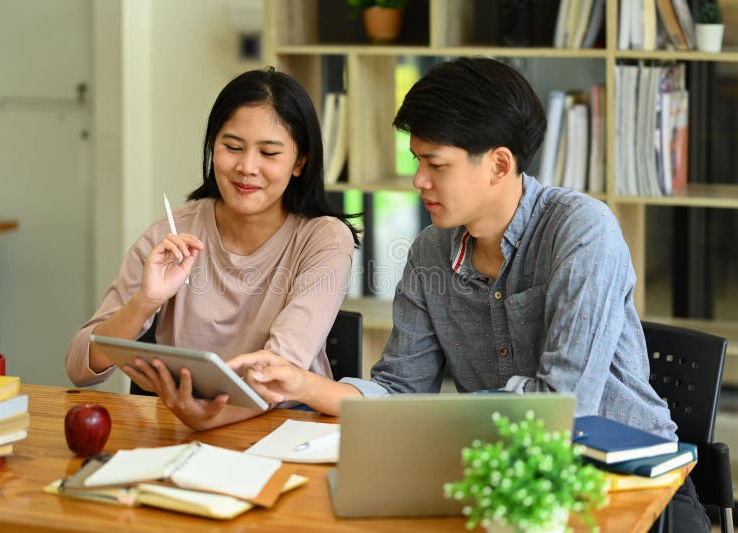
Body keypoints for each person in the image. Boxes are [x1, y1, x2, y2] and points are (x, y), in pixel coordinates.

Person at [227, 57, 710, 532]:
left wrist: (434, 420)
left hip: (634, 487)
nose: (418, 180)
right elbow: (400, 389)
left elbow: (563, 404)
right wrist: (303, 385)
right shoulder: (430, 253)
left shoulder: (582, 231)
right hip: (501, 479)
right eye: (417, 160)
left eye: (435, 164)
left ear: (499, 164)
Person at [65, 67, 360, 431]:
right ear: (212, 146)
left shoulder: (323, 240)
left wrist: (205, 418)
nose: (246, 167)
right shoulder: (173, 233)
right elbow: (81, 367)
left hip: (283, 430)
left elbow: (278, 371)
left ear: (300, 162)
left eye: (269, 153)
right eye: (232, 147)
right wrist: (145, 302)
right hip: (181, 431)